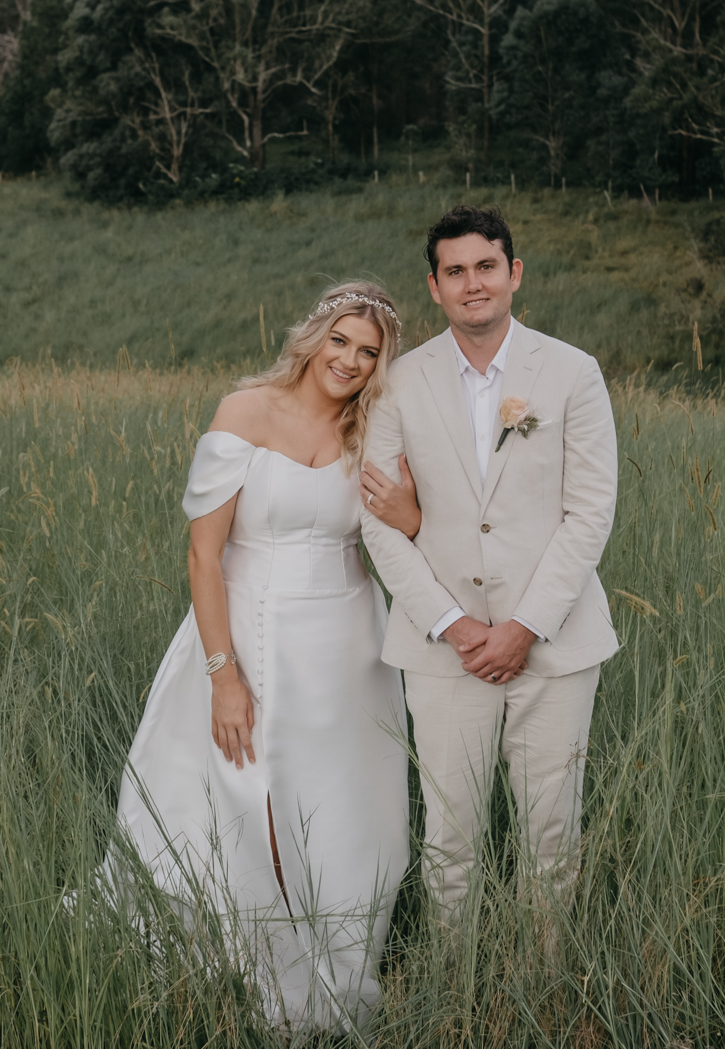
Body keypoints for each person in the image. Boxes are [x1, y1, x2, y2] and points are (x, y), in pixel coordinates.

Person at [110, 282, 420, 1035]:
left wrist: (407, 504)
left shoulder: (375, 428)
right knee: (251, 798)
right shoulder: (245, 410)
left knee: (350, 809)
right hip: (245, 627)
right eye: (340, 340)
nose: (349, 360)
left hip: (348, 647)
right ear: (314, 335)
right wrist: (224, 676)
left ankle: (337, 966)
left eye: (368, 351)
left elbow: (407, 531)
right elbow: (203, 554)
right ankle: (250, 966)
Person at [357, 206, 620, 929]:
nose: (473, 283)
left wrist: (525, 625)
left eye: (486, 266)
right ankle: (456, 1000)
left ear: (514, 274)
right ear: (435, 287)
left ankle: (546, 986)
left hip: (555, 646)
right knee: (449, 839)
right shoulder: (398, 384)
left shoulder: (571, 373)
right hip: (445, 652)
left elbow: (590, 511)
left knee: (552, 837)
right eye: (455, 271)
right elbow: (377, 522)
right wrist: (454, 623)